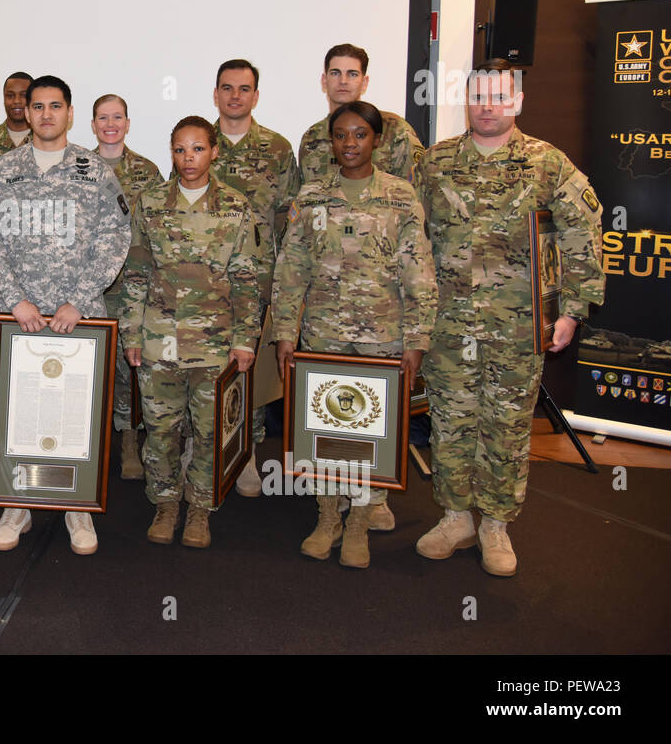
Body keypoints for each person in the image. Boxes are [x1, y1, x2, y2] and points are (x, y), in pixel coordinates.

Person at [417, 60, 603, 577]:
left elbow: (581, 235)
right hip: (448, 325)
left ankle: (496, 523)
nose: (488, 106)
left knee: (506, 427)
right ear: (466, 101)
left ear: (518, 102)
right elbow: (411, 243)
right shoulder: (435, 164)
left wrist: (573, 309)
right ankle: (455, 517)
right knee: (451, 424)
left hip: (517, 326)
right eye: (479, 97)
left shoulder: (548, 164)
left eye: (500, 97)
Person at [0, 75, 132, 555]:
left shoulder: (94, 170)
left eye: (54, 106)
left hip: (76, 318)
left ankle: (77, 506)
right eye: (36, 106)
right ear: (27, 112)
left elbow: (114, 236)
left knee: (75, 411)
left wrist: (78, 299)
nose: (44, 114)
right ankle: (15, 504)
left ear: (70, 113)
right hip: (17, 316)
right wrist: (15, 297)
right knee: (16, 410)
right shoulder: (4, 167)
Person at [273, 101, 436, 568]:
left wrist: (417, 340)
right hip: (322, 335)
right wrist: (286, 331)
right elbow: (290, 270)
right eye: (341, 135)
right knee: (323, 429)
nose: (349, 144)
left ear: (377, 140)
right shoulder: (311, 197)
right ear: (330, 141)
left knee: (372, 432)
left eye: (360, 135)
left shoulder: (401, 197)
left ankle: (361, 520)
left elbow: (418, 272)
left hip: (382, 337)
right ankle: (328, 518)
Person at [121, 117, 264, 548]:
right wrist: (130, 334)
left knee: (208, 430)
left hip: (215, 342)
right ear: (172, 153)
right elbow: (136, 273)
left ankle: (200, 507)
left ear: (214, 152)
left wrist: (245, 339)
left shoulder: (236, 206)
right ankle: (165, 504)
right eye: (180, 150)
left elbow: (246, 279)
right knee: (162, 429)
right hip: (159, 337)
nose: (189, 158)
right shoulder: (149, 203)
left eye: (198, 149)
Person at [210, 58, 298, 496]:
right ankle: (205, 448)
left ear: (256, 96)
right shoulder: (197, 142)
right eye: (227, 88)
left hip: (258, 281)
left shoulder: (278, 149)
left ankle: (245, 453)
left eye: (244, 89)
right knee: (207, 366)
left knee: (251, 368)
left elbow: (290, 217)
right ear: (216, 94)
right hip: (205, 283)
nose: (235, 96)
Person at [91, 94, 164, 480]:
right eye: (103, 117)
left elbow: (157, 230)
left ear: (128, 123)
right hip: (88, 287)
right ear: (92, 124)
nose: (110, 124)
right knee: (93, 364)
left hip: (133, 286)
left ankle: (129, 439)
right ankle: (91, 440)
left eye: (117, 117)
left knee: (130, 366)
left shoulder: (147, 171)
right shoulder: (77, 166)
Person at [297, 43, 424, 189]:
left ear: (364, 83)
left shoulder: (395, 130)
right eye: (335, 73)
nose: (343, 81)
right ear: (324, 81)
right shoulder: (311, 138)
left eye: (352, 74)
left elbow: (415, 192)